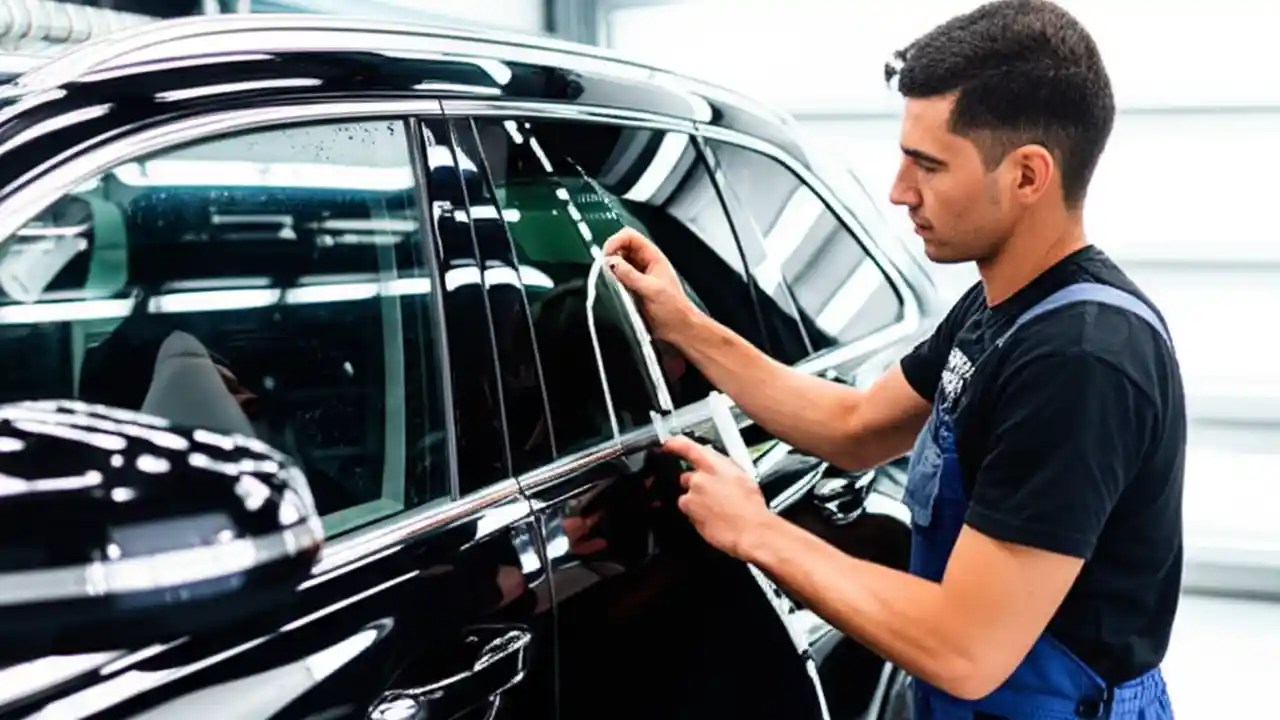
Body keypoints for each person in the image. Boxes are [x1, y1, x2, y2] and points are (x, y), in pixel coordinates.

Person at [602, 1, 1183, 718]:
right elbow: (854, 424)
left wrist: (756, 532)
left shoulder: (1082, 360)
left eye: (928, 165)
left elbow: (966, 649)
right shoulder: (1001, 308)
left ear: (1029, 175)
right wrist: (687, 326)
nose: (899, 190)